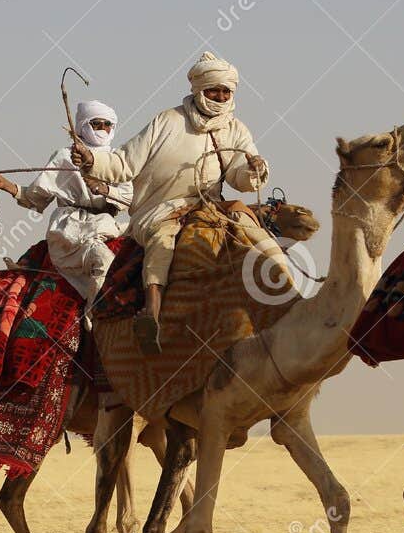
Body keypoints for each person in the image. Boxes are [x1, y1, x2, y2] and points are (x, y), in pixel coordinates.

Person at [71, 52, 269, 354]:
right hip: (161, 208)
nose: (219, 97)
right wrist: (91, 160)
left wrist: (254, 168)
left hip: (209, 207)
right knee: (163, 240)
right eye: (213, 91)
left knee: (250, 228)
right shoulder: (167, 121)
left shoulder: (235, 130)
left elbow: (240, 175)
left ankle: (275, 296)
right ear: (198, 89)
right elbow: (124, 163)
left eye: (225, 92)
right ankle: (152, 310)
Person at [0, 99, 132, 308]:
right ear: (83, 125)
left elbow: (128, 198)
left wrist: (104, 189)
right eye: (97, 124)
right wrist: (7, 186)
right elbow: (36, 197)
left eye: (108, 124)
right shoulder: (65, 157)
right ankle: (94, 316)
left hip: (107, 224)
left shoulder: (116, 160)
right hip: (74, 229)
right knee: (104, 262)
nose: (103, 129)